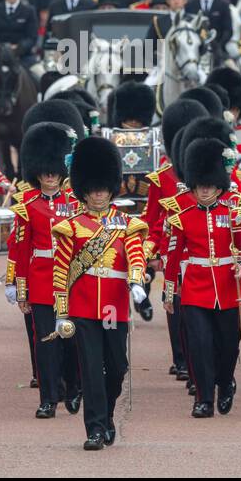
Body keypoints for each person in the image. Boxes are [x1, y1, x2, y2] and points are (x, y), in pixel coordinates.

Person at [50, 135, 148, 450]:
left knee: (117, 366)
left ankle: (105, 415)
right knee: (91, 369)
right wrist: (61, 311)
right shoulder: (72, 227)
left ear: (111, 188)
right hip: (83, 307)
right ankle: (94, 429)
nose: (99, 195)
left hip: (112, 308)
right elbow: (62, 269)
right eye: (93, 191)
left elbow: (136, 253)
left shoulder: (126, 224)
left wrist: (136, 282)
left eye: (103, 190)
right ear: (85, 191)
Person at [163, 138, 241, 417]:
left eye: (210, 185)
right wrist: (169, 293)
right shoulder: (183, 216)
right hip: (195, 288)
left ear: (219, 185)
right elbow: (173, 256)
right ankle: (203, 398)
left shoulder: (234, 213)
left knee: (228, 345)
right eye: (200, 185)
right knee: (199, 344)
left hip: (227, 286)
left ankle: (225, 383)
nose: (205, 190)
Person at [7, 122, 82, 418]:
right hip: (39, 279)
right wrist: (17, 286)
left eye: (54, 170)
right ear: (37, 172)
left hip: (71, 278)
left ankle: (74, 389)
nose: (50, 176)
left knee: (72, 337)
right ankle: (48, 398)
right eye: (45, 171)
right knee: (46, 340)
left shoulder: (75, 203)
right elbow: (20, 248)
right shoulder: (26, 205)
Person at [186, 0, 234, 64]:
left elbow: (228, 30)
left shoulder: (223, 4)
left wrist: (218, 45)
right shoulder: (190, 5)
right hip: (196, 50)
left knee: (233, 70)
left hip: (219, 50)